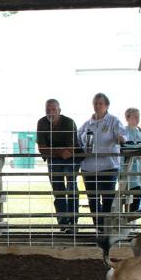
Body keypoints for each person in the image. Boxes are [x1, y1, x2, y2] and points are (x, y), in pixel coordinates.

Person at [78, 93, 125, 227]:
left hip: (108, 166)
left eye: (101, 103)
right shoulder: (87, 124)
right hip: (89, 167)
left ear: (107, 105)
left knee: (107, 199)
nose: (98, 106)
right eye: (95, 103)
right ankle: (98, 228)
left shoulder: (114, 121)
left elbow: (122, 135)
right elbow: (77, 139)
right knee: (93, 200)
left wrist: (121, 139)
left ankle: (106, 228)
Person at [36, 98, 80, 232]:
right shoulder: (41, 122)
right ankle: (63, 222)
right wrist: (60, 151)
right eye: (48, 110)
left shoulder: (69, 122)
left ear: (59, 110)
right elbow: (42, 148)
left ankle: (73, 222)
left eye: (53, 109)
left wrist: (54, 151)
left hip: (71, 158)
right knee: (57, 189)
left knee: (71, 186)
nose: (50, 112)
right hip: (54, 159)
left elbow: (71, 148)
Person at [122, 107, 141, 213]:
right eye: (135, 116)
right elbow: (126, 146)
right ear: (127, 117)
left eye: (138, 116)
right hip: (128, 167)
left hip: (139, 168)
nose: (137, 118)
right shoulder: (124, 131)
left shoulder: (140, 132)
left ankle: (131, 217)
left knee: (137, 193)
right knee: (130, 193)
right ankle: (128, 217)